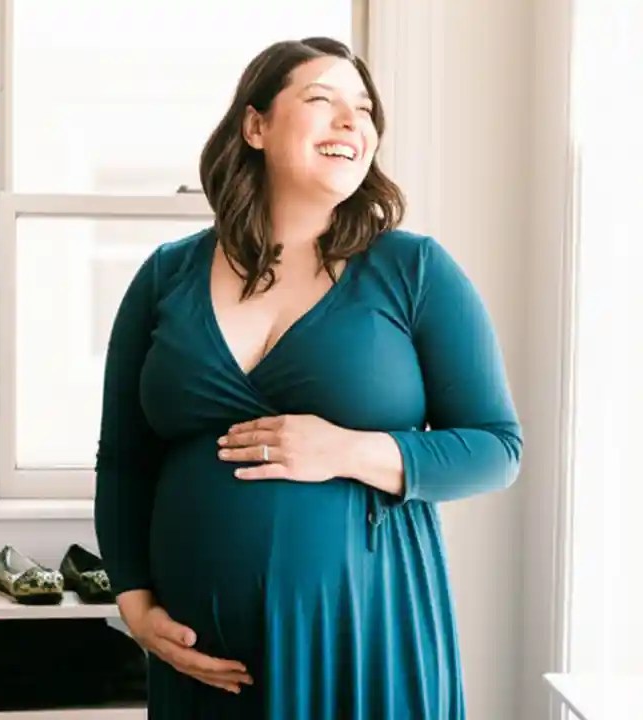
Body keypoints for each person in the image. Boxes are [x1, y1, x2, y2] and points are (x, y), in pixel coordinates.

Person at [94, 36, 523, 719]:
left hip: (368, 640)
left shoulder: (414, 271)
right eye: (322, 100)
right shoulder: (164, 277)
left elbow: (498, 449)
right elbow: (123, 460)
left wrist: (347, 450)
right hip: (206, 666)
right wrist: (136, 605)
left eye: (364, 109)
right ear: (255, 125)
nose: (352, 122)